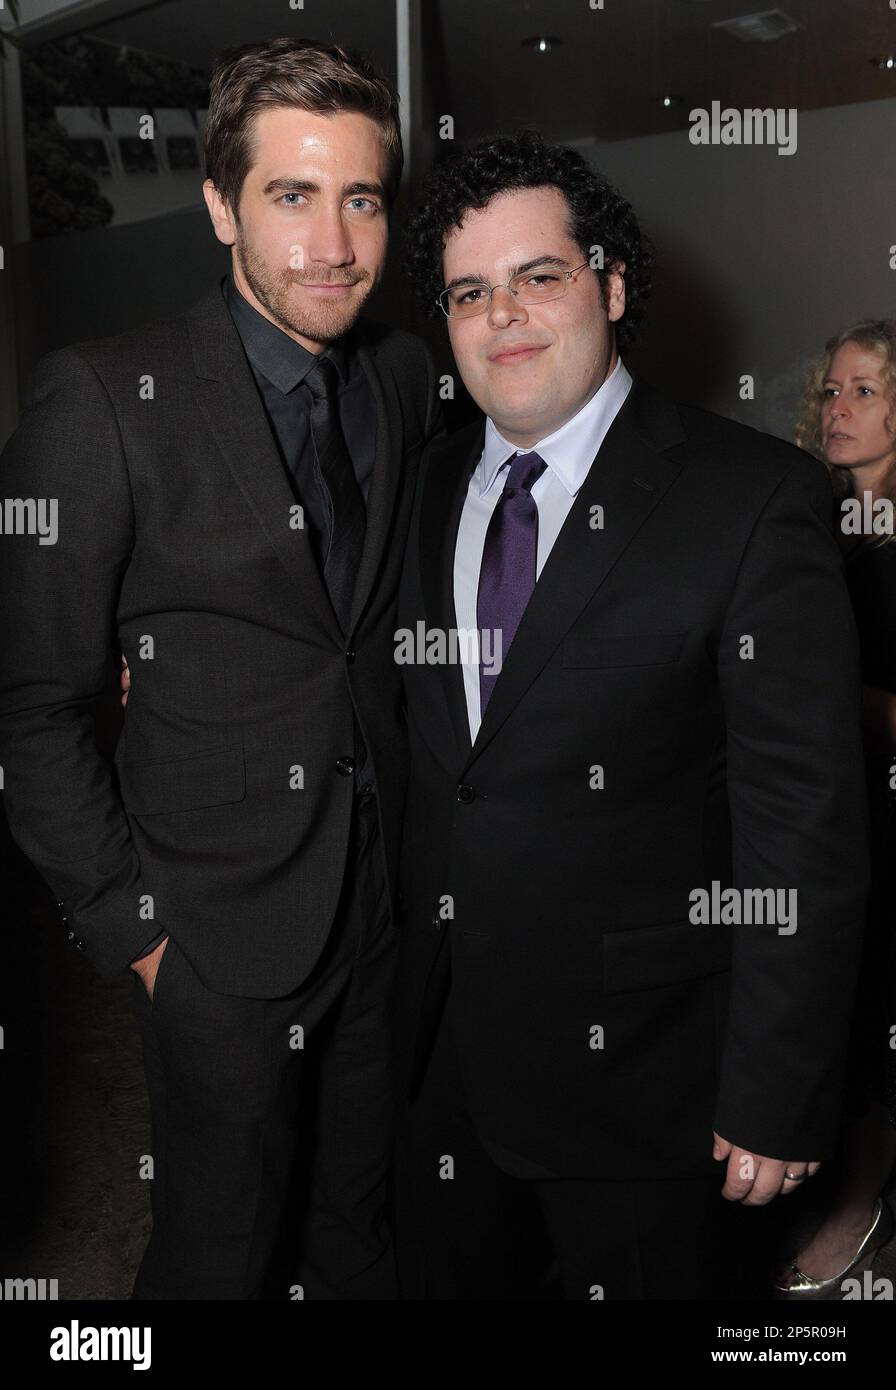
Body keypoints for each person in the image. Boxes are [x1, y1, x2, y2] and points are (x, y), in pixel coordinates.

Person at [391, 130, 870, 1300]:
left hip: (650, 1085)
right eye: (468, 291)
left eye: (537, 275)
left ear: (609, 287)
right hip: (441, 1062)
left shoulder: (749, 499)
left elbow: (800, 820)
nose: (501, 314)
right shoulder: (425, 484)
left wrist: (777, 1086)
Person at [0, 38, 441, 1299]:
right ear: (219, 207)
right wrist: (139, 936)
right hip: (212, 937)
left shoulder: (402, 377)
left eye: (360, 199)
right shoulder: (101, 402)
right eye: (291, 195)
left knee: (359, 1227)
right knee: (220, 1252)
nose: (333, 243)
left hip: (380, 905)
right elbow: (33, 708)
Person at [775, 321, 896, 1296]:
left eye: (864, 390)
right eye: (830, 390)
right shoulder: (806, 520)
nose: (837, 408)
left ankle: (860, 1205)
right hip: (818, 812)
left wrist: (819, 696)